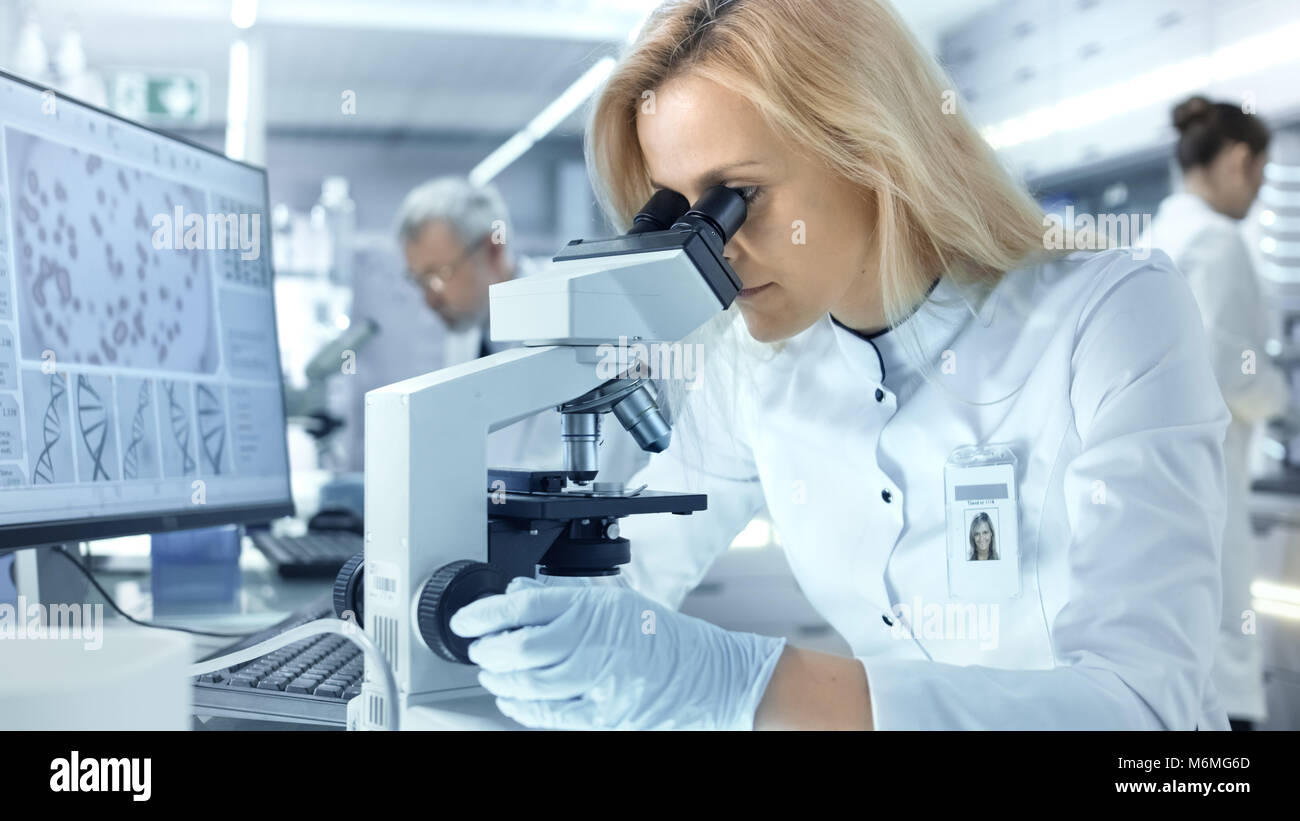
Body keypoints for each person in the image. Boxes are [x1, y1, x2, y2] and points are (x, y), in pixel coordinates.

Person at [448, 0, 1232, 730]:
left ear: (869, 149)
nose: (711, 248)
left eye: (737, 197)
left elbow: (1143, 715)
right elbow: (627, 577)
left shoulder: (1113, 313)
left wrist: (739, 683)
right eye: (679, 209)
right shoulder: (754, 362)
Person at [1142, 95, 1286, 731]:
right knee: (1221, 659)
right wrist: (1283, 395)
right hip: (1208, 485)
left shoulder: (1157, 236)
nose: (1257, 190)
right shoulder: (1217, 241)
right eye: (1257, 172)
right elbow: (1230, 366)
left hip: (1156, 491)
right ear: (1235, 160)